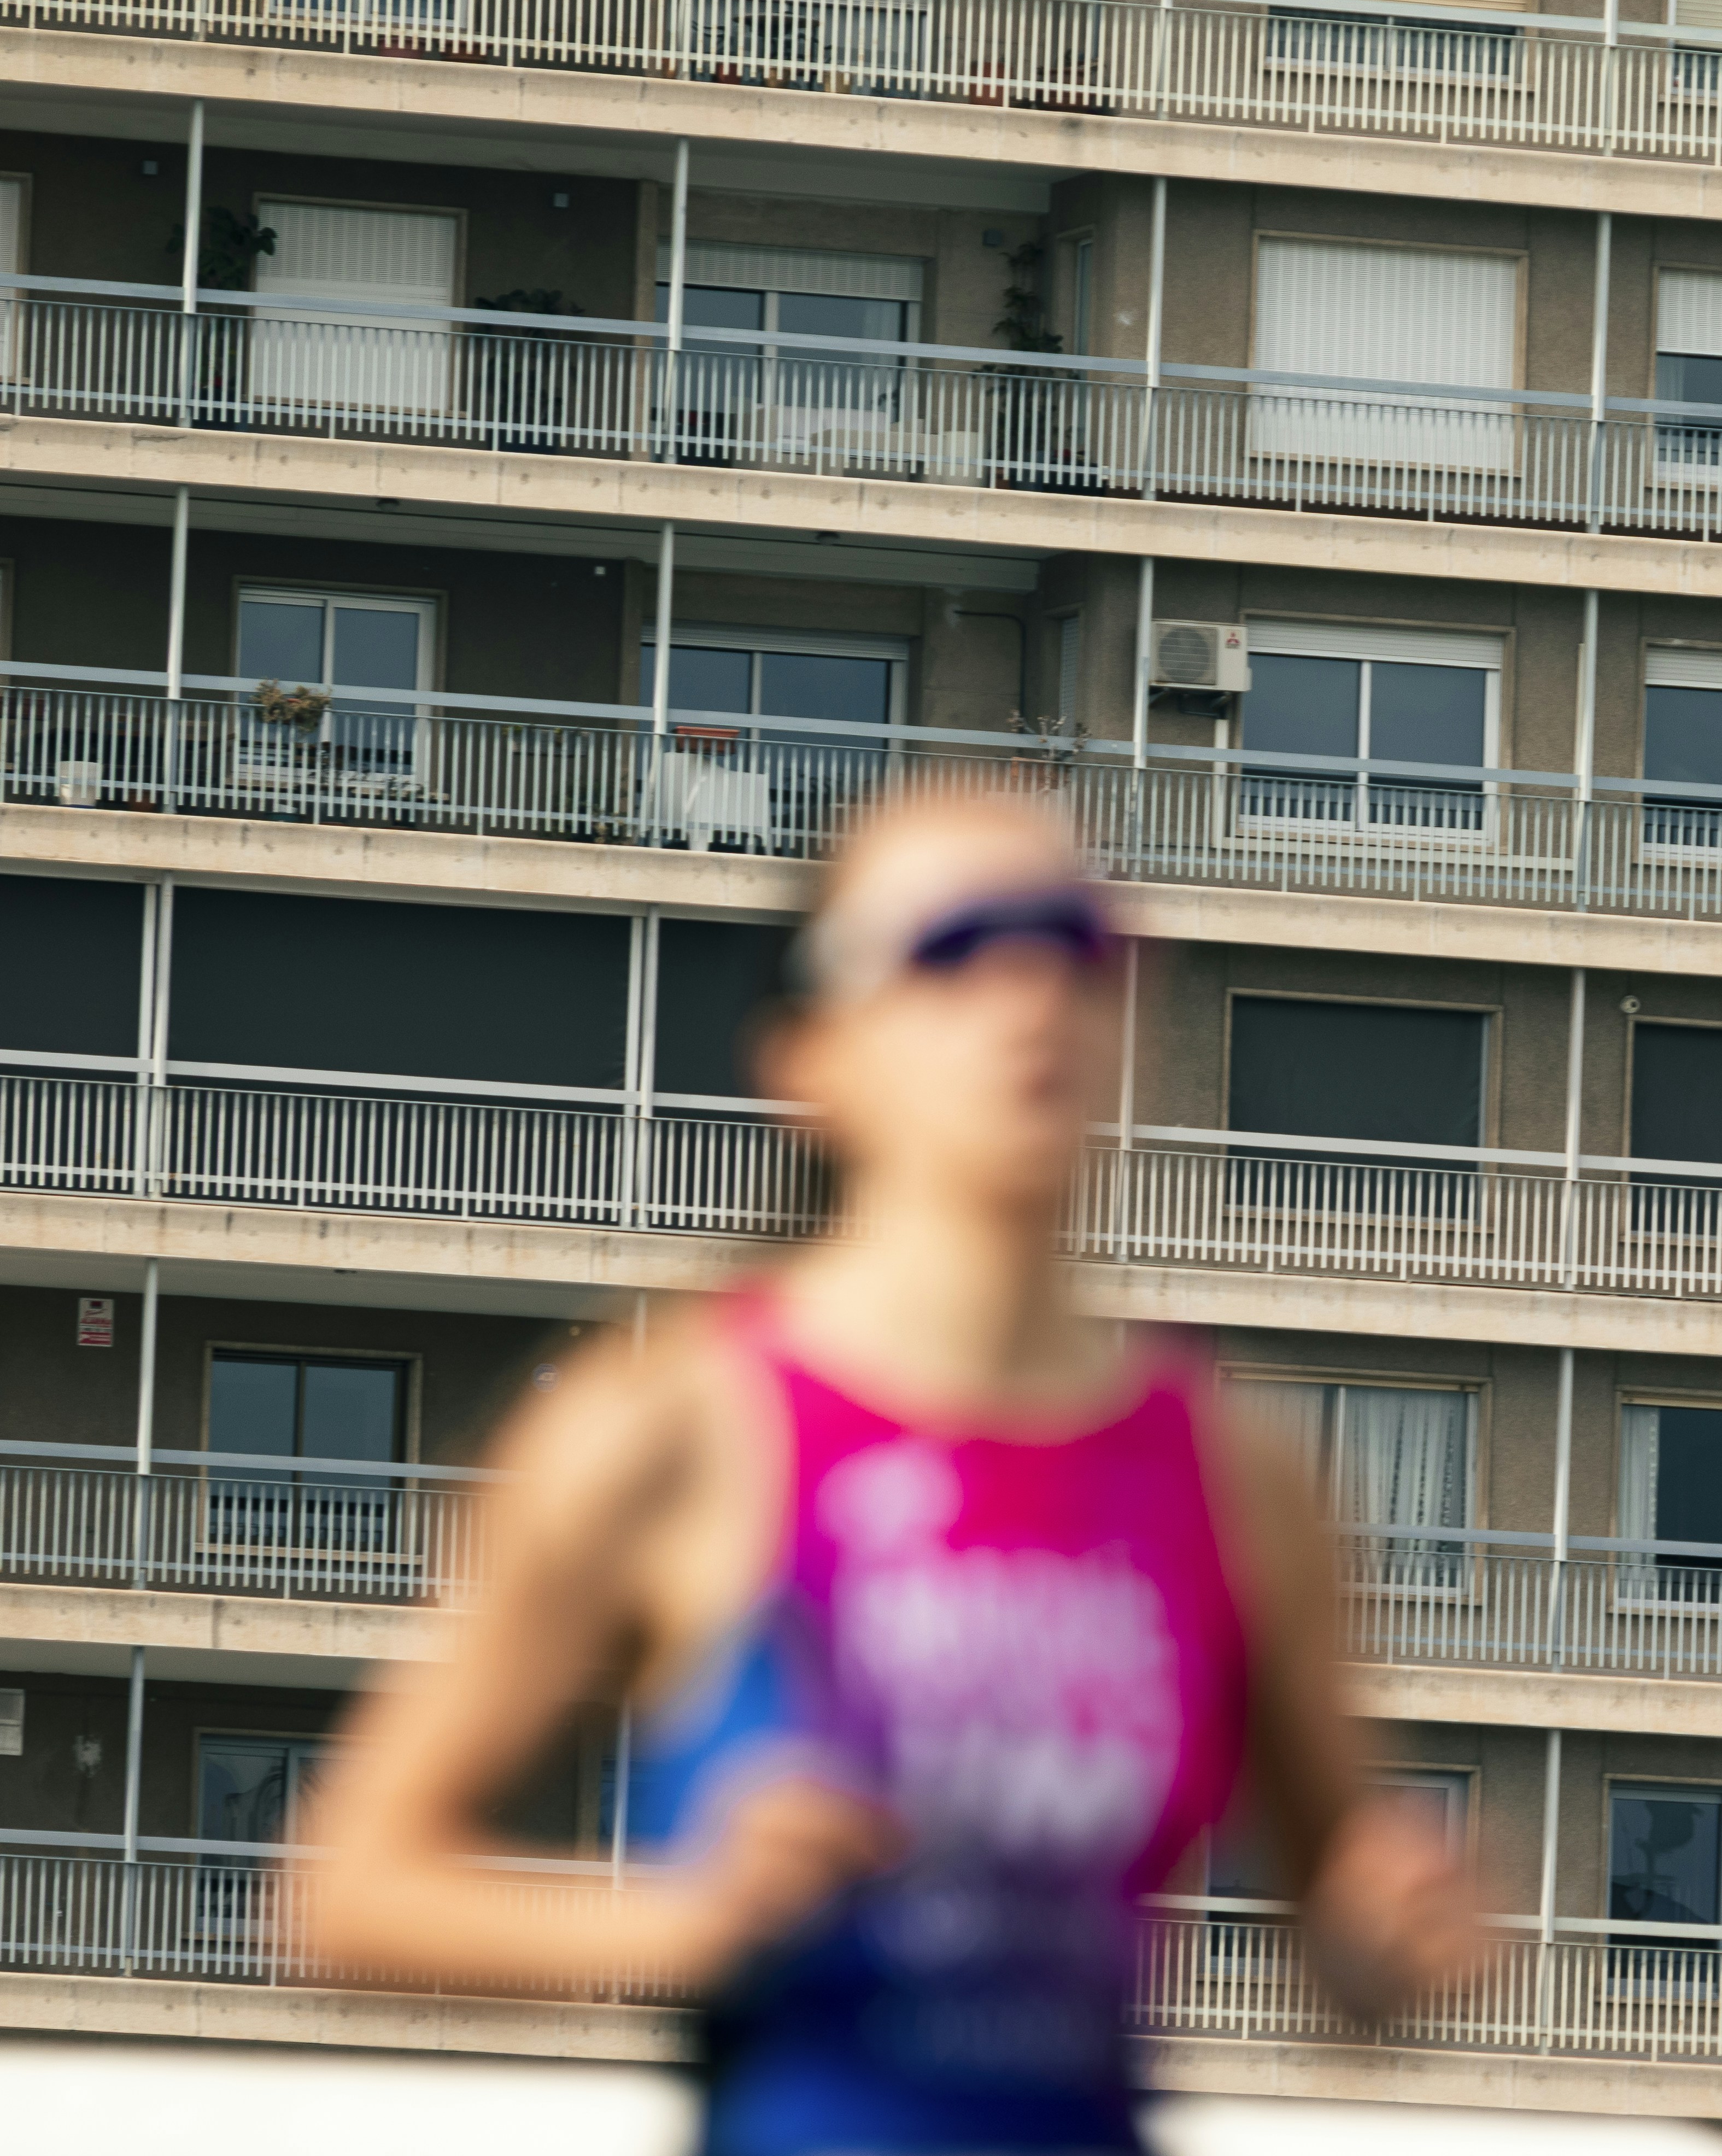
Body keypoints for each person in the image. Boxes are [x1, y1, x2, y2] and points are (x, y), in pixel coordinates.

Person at [306, 790, 1480, 2155]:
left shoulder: (1240, 1473)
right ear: (810, 1055)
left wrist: (1392, 1936)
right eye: (955, 947)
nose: (1031, 989)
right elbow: (350, 1885)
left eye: (1073, 941)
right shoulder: (675, 1428)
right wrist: (686, 1915)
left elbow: (1338, 1930)